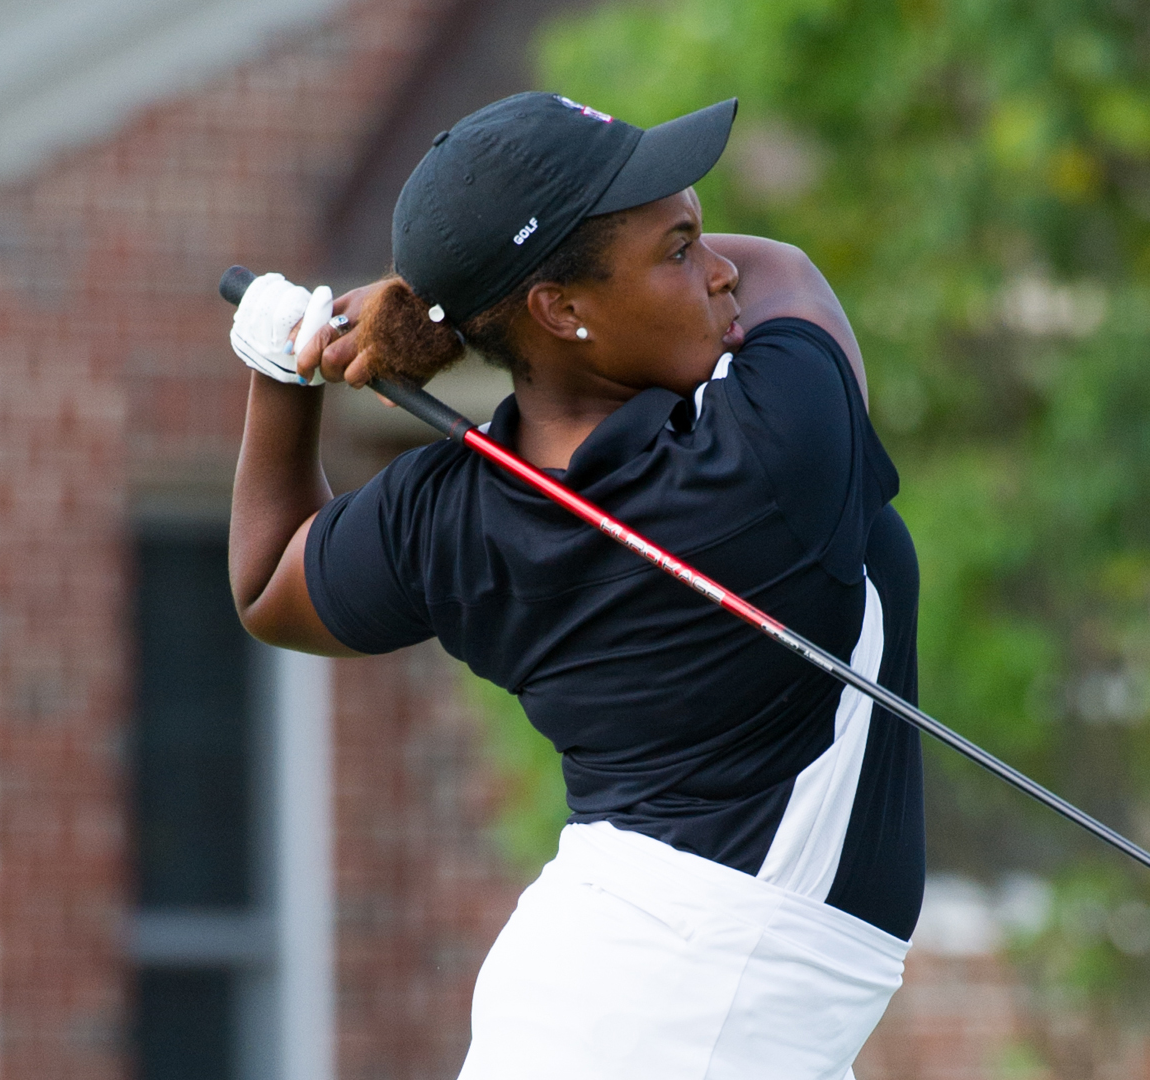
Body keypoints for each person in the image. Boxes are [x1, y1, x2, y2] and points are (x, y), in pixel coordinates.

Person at [227, 92, 924, 1080]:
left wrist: (283, 367)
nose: (718, 268)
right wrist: (431, 308)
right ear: (560, 310)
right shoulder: (766, 456)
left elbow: (267, 581)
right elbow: (785, 273)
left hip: (667, 994)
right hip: (692, 1012)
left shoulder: (447, 512)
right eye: (679, 249)